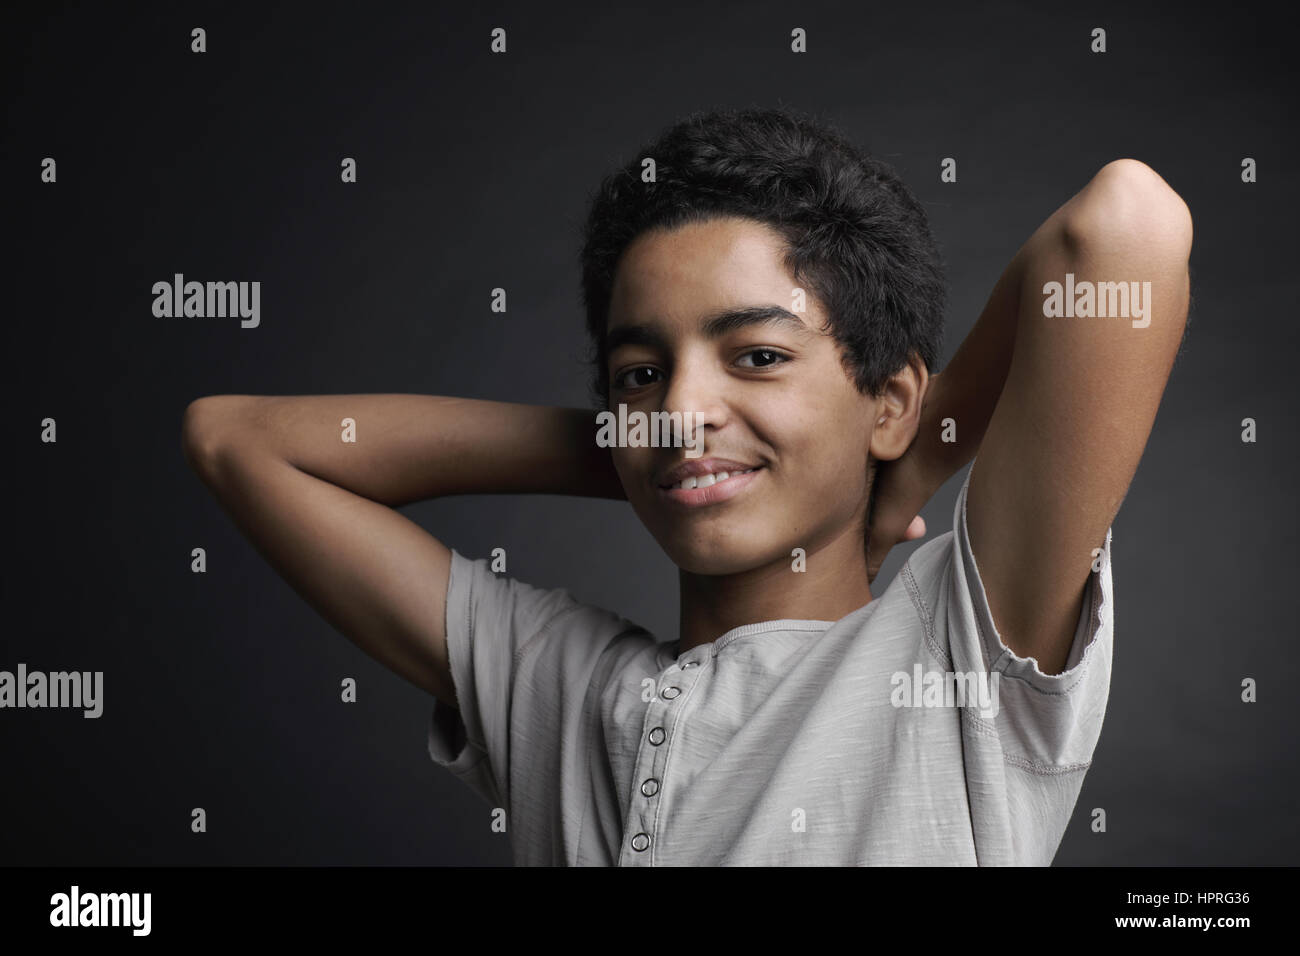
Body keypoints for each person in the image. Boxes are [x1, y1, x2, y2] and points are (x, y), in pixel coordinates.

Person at [181, 106, 1192, 865]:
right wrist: (647, 444)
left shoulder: (954, 646)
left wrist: (915, 456)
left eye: (754, 356)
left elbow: (1124, 228)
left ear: (888, 400)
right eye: (639, 369)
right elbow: (237, 440)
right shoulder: (554, 684)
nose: (683, 402)